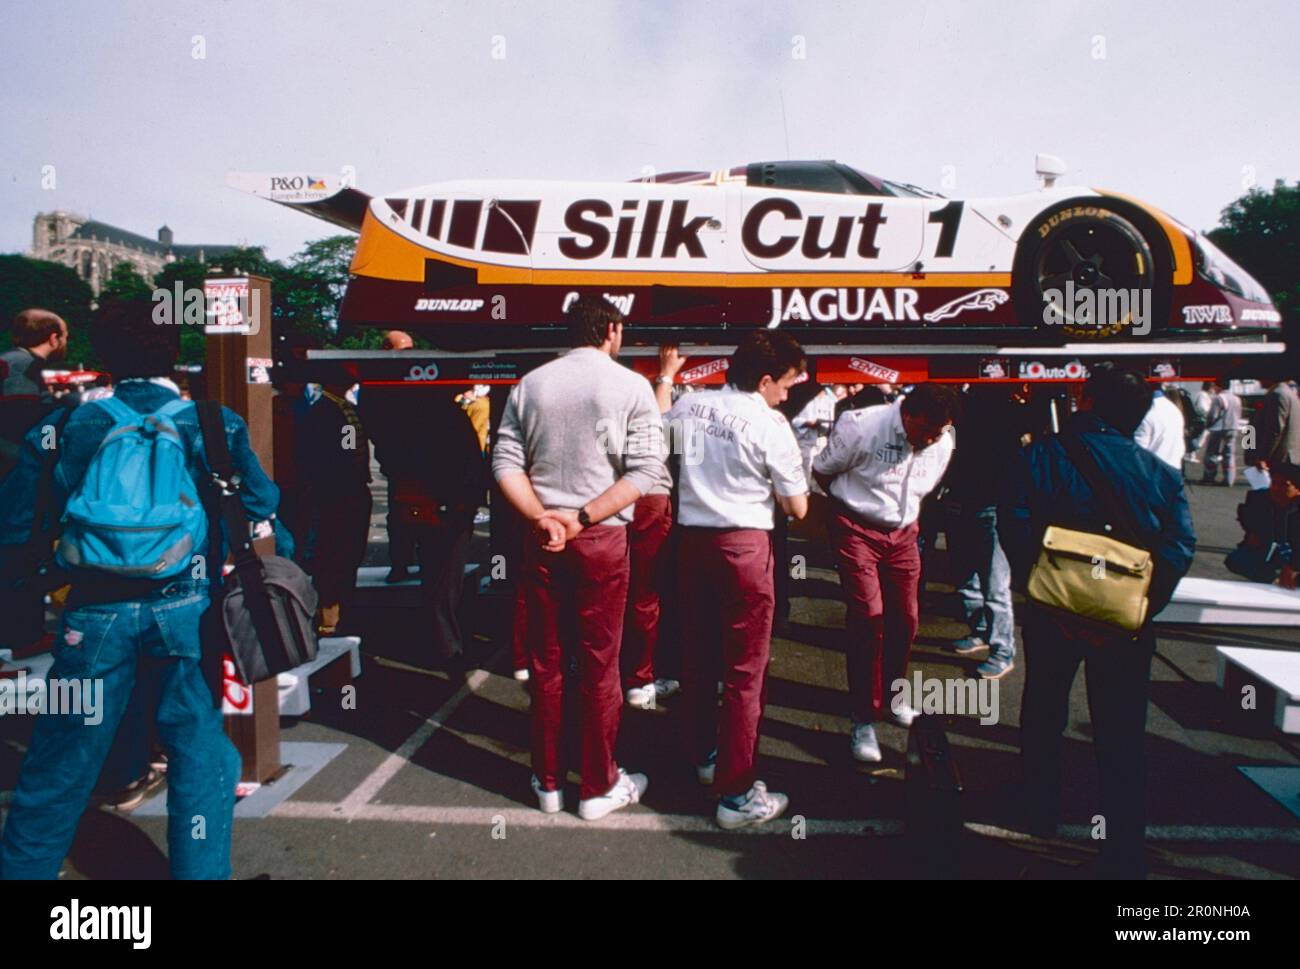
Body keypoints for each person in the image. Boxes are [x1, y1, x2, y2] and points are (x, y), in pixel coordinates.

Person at [0, 299, 284, 880]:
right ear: (174, 351)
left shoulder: (66, 425)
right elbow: (260, 503)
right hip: (188, 606)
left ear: (102, 356)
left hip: (92, 613)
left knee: (61, 761)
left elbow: (16, 522)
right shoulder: (211, 421)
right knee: (200, 754)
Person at [1001, 366, 1195, 879]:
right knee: (1122, 732)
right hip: (1124, 624)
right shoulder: (1161, 475)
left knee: (1044, 708)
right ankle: (1124, 843)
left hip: (1052, 612)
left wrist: (1041, 586)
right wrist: (1138, 605)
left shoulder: (1039, 455)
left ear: (1085, 400)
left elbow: (1014, 521)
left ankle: (1040, 809)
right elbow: (1178, 548)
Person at [492, 295, 664, 820]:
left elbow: (505, 461)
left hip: (543, 535)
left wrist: (543, 516)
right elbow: (645, 472)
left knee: (546, 663)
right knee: (598, 665)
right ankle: (596, 785)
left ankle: (547, 782)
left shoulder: (531, 383)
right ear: (611, 330)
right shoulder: (632, 385)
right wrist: (584, 518)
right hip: (600, 538)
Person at [666, 330, 808, 828]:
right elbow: (797, 505)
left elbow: (658, 448)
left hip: (692, 542)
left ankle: (706, 757)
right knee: (746, 673)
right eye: (787, 385)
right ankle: (736, 794)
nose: (788, 395)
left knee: (699, 659)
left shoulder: (690, 406)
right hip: (744, 545)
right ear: (766, 380)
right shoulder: (771, 424)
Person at [814, 383, 958, 763]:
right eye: (924, 431)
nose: (929, 440)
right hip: (856, 526)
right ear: (906, 414)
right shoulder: (861, 426)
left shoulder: (943, 440)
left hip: (905, 532)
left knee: (906, 619)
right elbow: (823, 471)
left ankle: (894, 696)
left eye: (938, 433)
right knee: (868, 617)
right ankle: (863, 718)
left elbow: (924, 488)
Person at [943, 386, 1028, 679]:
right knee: (968, 577)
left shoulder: (1006, 412)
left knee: (994, 584)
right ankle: (981, 631)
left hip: (991, 505)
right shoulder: (963, 409)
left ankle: (1002, 651)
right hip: (964, 501)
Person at [297, 367, 372, 636]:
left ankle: (339, 610)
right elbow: (347, 449)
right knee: (337, 554)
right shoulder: (332, 411)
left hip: (346, 490)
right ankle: (332, 614)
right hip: (340, 492)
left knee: (344, 553)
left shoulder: (337, 408)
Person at [1225, 463, 1300, 586]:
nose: (1276, 488)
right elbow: (1246, 517)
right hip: (1260, 465)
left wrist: (1291, 568)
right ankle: (1271, 579)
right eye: (1274, 483)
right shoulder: (1259, 499)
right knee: (1239, 559)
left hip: (1293, 547)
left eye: (1284, 485)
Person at [1246, 373, 1300, 471]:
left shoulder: (1278, 395)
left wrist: (1263, 457)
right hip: (1289, 456)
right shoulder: (1289, 393)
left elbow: (1275, 429)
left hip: (1279, 458)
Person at [1133, 386, 1187, 471]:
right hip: (1173, 470)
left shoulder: (1146, 412)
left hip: (1152, 474)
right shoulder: (1174, 409)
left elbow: (1137, 454)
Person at [1202, 379, 1242, 485]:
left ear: (1219, 387)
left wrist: (1207, 424)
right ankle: (1229, 478)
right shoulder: (1237, 398)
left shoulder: (1218, 398)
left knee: (1212, 453)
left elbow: (1213, 415)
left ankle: (1209, 477)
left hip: (1218, 428)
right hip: (1233, 427)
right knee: (1229, 454)